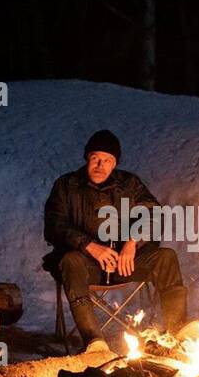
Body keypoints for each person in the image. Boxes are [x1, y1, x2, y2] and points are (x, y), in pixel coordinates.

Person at [44, 129, 188, 352]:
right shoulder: (66, 186)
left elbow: (155, 214)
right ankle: (94, 342)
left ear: (114, 164)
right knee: (70, 260)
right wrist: (89, 246)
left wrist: (133, 241)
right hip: (84, 266)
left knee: (166, 257)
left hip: (124, 262)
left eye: (107, 160)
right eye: (95, 158)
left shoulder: (129, 184)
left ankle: (179, 331)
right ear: (87, 158)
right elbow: (55, 225)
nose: (100, 165)